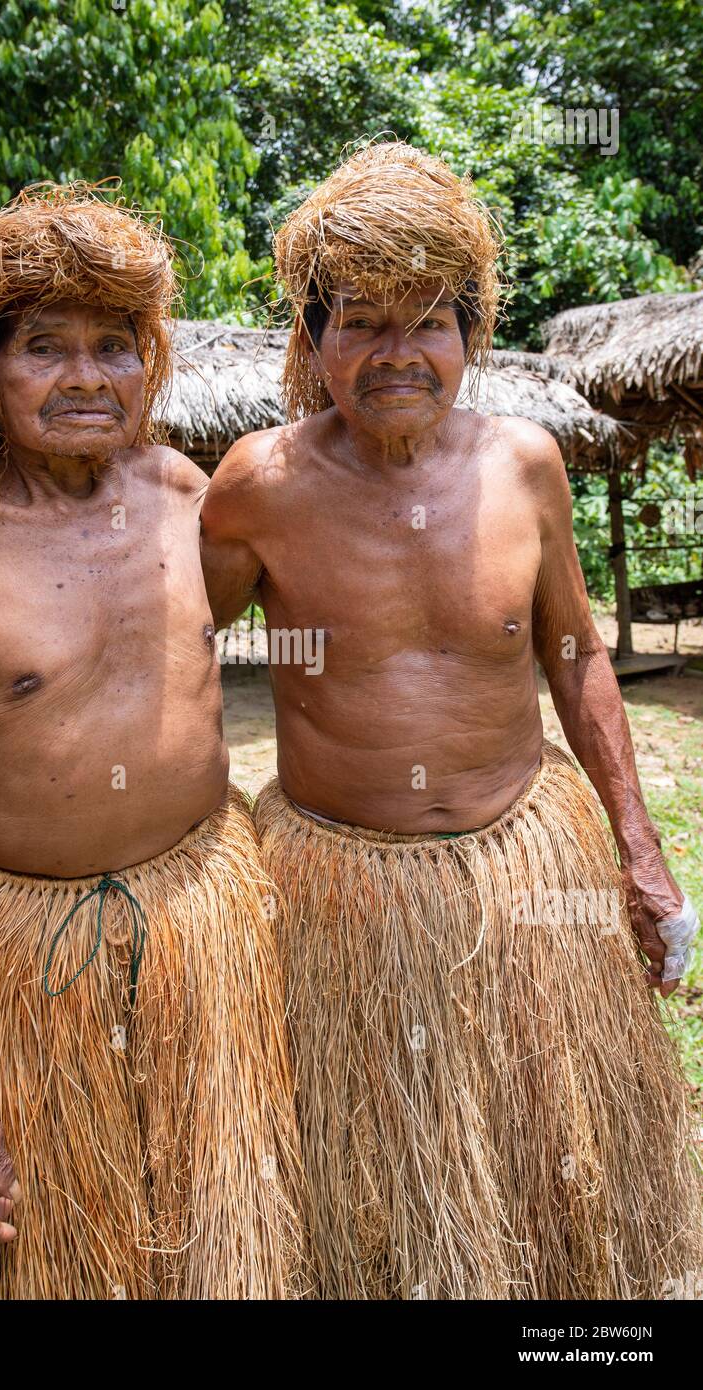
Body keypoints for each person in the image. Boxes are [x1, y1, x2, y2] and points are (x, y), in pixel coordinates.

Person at [201, 141, 702, 1299]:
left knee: (547, 1170)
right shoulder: (255, 484)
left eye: (426, 322)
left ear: (471, 336)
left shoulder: (524, 467)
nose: (394, 354)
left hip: (528, 867)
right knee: (362, 1194)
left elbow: (572, 652)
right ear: (311, 339)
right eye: (359, 323)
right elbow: (173, 659)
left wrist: (636, 848)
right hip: (337, 888)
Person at [0, 186, 305, 1300]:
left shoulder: (185, 497)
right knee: (25, 1271)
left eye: (113, 348)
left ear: (148, 367)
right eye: (45, 348)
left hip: (203, 924)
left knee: (211, 1249)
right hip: (8, 954)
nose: (86, 378)